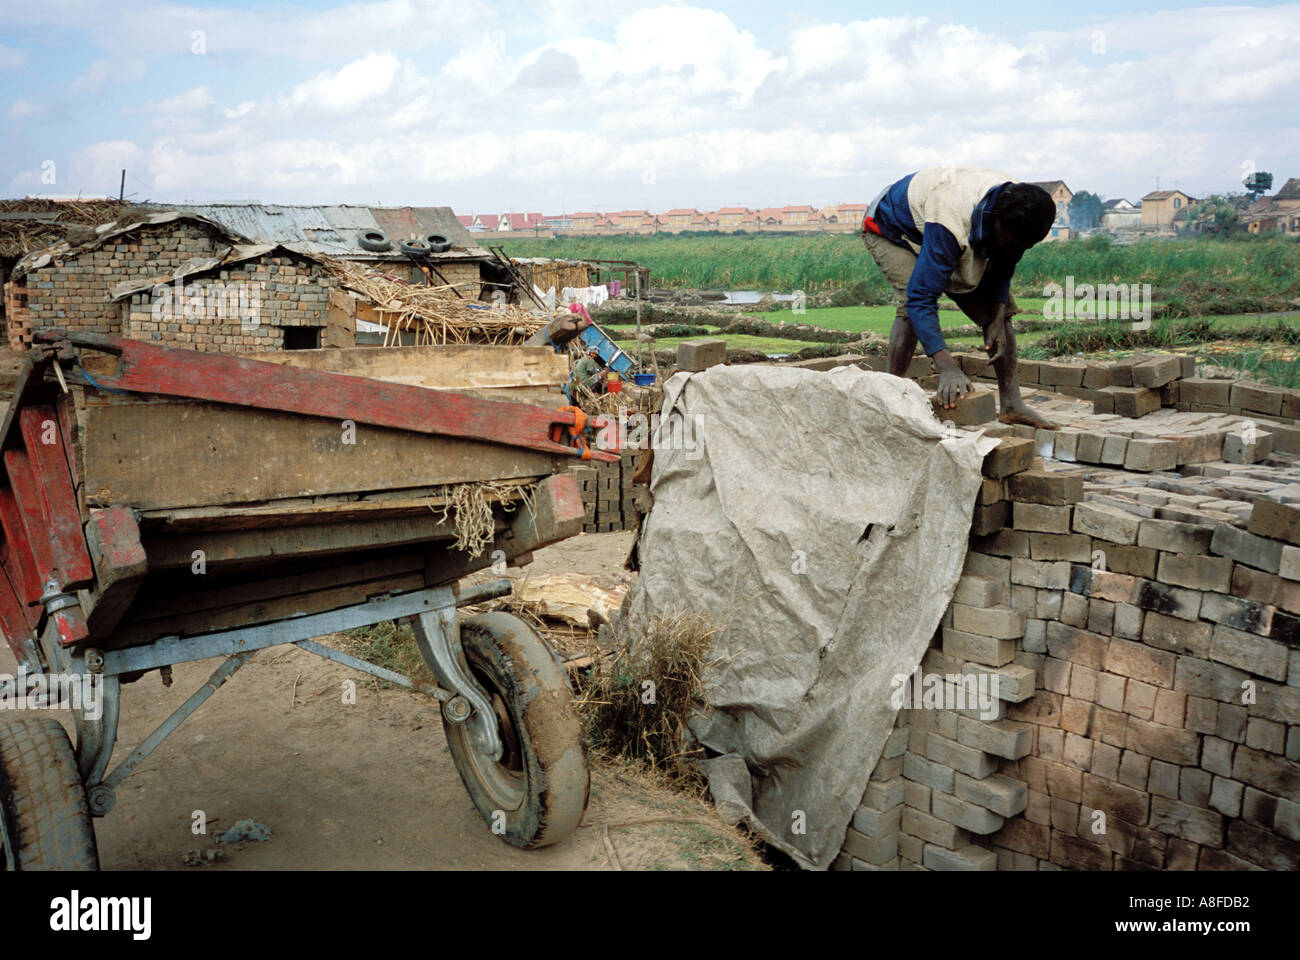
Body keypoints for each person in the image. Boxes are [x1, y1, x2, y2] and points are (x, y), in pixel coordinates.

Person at [861, 167, 1058, 428]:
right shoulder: (951, 217)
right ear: (996, 221)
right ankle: (888, 400)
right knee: (910, 305)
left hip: (940, 228)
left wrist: (997, 317)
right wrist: (947, 367)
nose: (1015, 250)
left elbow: (1003, 265)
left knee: (1000, 313)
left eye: (1023, 247)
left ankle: (1012, 404)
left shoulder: (1023, 209)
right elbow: (921, 297)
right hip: (891, 229)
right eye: (1012, 242)